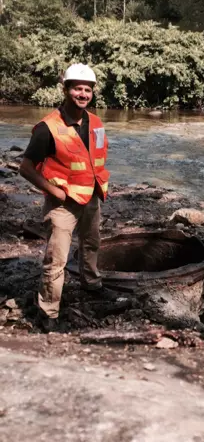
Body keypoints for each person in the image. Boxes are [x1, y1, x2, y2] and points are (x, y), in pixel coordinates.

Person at [20, 63, 111, 332]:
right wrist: (55, 191)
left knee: (91, 244)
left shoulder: (95, 122)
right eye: (78, 89)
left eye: (87, 90)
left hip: (91, 198)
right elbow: (26, 167)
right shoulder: (47, 128)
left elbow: (94, 159)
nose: (83, 94)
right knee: (56, 258)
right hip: (62, 204)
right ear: (66, 89)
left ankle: (91, 284)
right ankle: (48, 311)